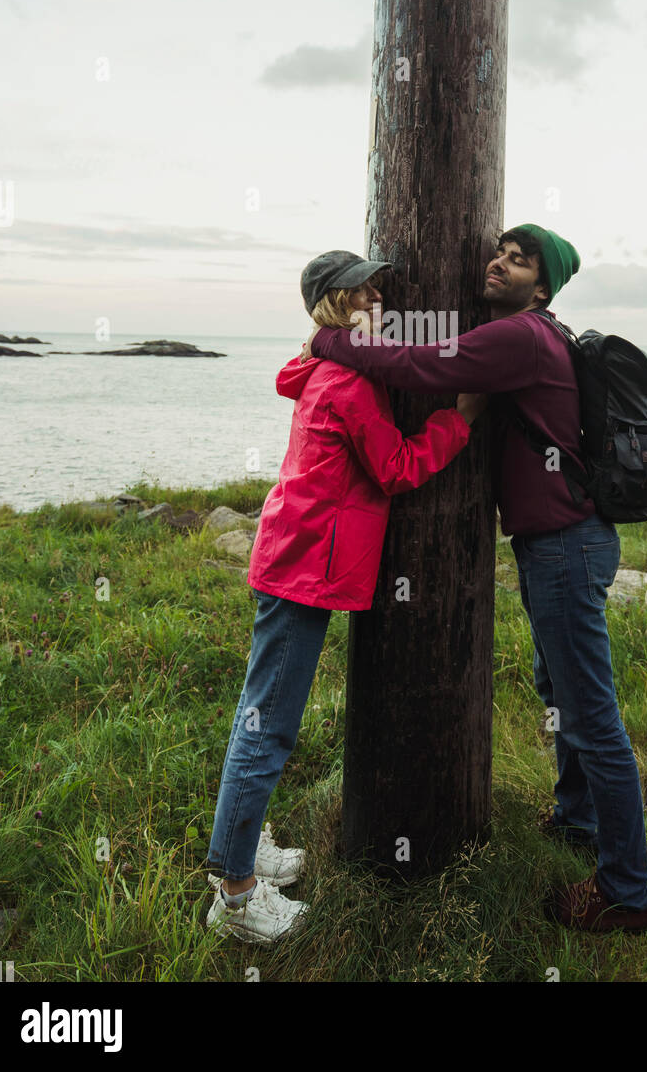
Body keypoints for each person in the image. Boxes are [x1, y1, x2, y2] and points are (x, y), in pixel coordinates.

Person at [308, 225, 647, 934]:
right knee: (560, 691)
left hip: (565, 547)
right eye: (500, 254)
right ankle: (575, 821)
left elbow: (415, 365)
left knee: (592, 718)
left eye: (519, 260)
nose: (499, 263)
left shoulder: (522, 336)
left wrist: (327, 341)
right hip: (560, 544)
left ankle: (624, 892)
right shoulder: (532, 335)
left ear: (544, 286)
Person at [204, 249, 483, 944]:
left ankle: (243, 849)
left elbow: (288, 374)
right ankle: (235, 896)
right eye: (362, 297)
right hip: (304, 568)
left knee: (260, 716)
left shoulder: (325, 368)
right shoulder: (351, 383)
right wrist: (459, 422)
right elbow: (393, 468)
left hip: (294, 560)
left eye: (378, 293)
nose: (376, 303)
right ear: (334, 306)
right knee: (266, 729)